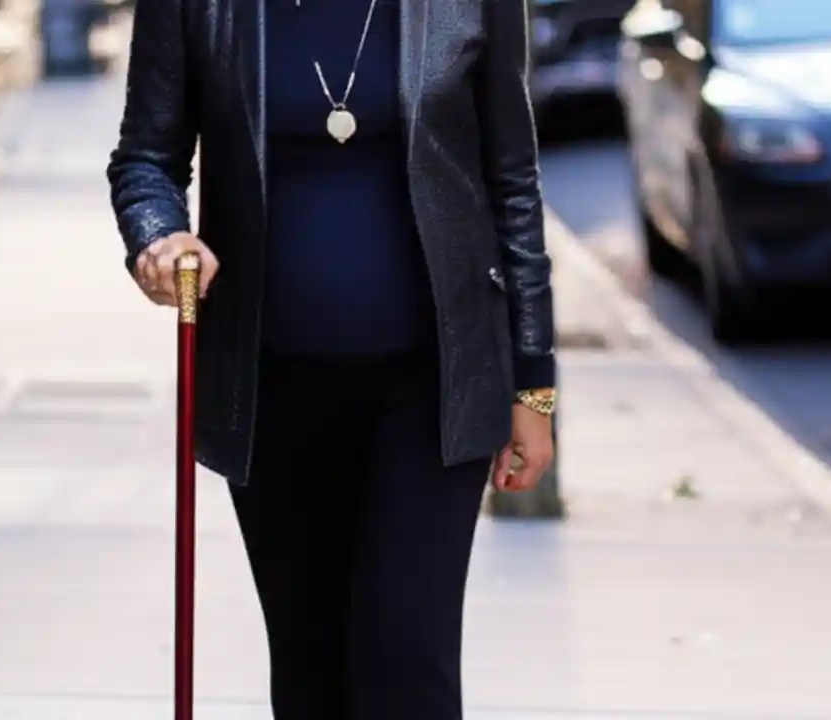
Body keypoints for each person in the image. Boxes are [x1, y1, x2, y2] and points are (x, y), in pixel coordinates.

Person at [107, 0, 556, 716]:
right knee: (311, 673)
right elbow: (145, 159)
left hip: (433, 389)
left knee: (409, 672)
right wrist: (160, 235)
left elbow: (512, 180)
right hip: (271, 390)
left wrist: (534, 384)